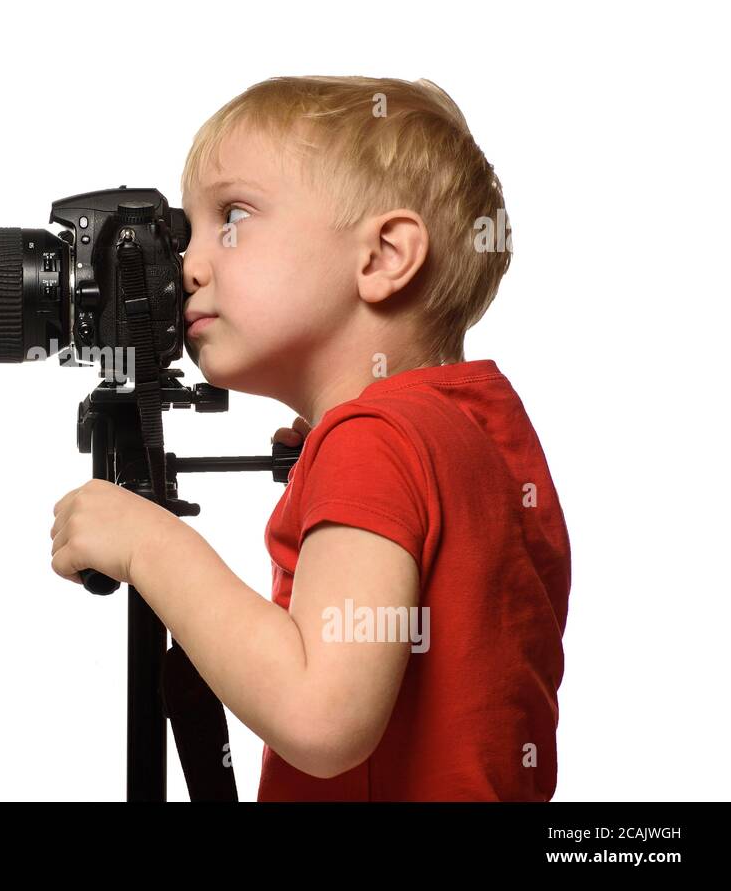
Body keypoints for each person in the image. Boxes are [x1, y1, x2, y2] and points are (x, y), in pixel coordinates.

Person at [49, 76, 570, 800]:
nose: (190, 265)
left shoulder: (374, 443)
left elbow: (322, 718)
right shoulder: (484, 426)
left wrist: (150, 546)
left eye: (232, 216)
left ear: (383, 257)